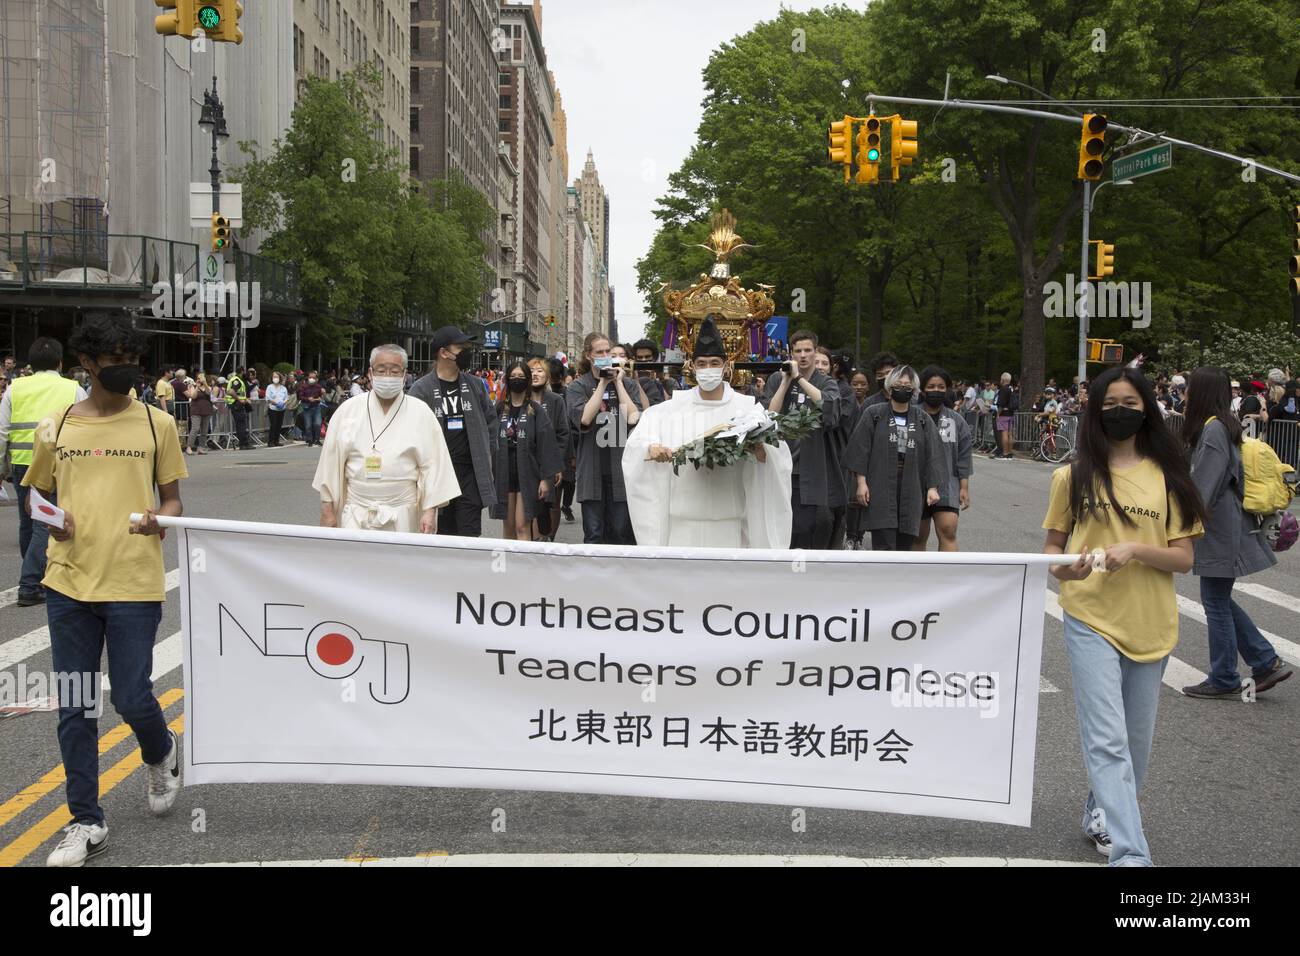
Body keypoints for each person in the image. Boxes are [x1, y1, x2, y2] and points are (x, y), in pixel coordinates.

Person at [24, 312, 188, 867]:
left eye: (130, 359)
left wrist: (157, 520)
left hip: (133, 580)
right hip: (67, 581)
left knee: (132, 695)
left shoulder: (155, 424)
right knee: (76, 704)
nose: (125, 369)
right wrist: (51, 518)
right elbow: (37, 496)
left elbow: (173, 501)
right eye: (113, 361)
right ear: (87, 364)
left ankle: (160, 748)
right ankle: (85, 822)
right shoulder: (58, 425)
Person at [1042, 365, 1206, 866]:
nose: (1120, 411)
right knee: (1107, 739)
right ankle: (1131, 855)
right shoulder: (1071, 476)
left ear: (1148, 410)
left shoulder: (1170, 477)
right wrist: (1065, 569)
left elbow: (1183, 559)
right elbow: (1053, 550)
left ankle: (1101, 808)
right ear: (1094, 409)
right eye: (1110, 402)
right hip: (1090, 618)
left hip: (1151, 623)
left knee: (1135, 746)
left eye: (1131, 404)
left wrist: (1135, 549)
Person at [624, 317, 792, 547]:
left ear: (725, 366)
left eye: (714, 362)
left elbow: (776, 456)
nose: (708, 369)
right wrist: (652, 447)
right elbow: (640, 439)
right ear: (692, 366)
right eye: (701, 363)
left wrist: (761, 450)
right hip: (683, 522)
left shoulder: (748, 410)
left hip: (730, 521)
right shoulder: (669, 411)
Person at [1180, 368, 1293, 698]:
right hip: (1223, 524)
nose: (1185, 396)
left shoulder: (1213, 428)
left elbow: (1206, 485)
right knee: (1217, 599)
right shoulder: (1218, 425)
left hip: (1220, 526)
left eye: (1189, 389)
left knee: (1214, 601)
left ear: (1201, 392)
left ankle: (1225, 676)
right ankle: (1264, 660)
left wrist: (1181, 520)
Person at [314, 345, 458, 533]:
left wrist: (429, 511)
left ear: (404, 374)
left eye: (395, 371)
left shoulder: (421, 412)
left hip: (403, 512)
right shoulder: (347, 411)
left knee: (400, 562)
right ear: (371, 373)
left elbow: (433, 466)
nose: (388, 376)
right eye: (381, 370)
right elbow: (330, 465)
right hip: (357, 511)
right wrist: (327, 511)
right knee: (354, 562)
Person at [0, 337, 86, 606]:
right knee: (45, 522)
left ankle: (33, 576)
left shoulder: (15, 388)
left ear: (30, 363)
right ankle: (30, 583)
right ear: (60, 363)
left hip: (23, 462)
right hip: (58, 462)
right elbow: (85, 428)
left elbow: (2, 432)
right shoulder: (73, 388)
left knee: (28, 521)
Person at [409, 326, 497, 537]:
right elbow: (410, 432)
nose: (466, 352)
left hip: (470, 473)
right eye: (461, 347)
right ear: (444, 352)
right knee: (442, 535)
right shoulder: (421, 389)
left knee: (469, 536)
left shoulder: (475, 385)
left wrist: (489, 456)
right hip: (437, 474)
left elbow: (491, 422)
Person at [845, 365, 943, 551]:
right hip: (881, 481)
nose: (903, 388)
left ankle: (901, 579)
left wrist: (932, 487)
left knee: (906, 541)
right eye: (899, 384)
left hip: (911, 482)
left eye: (907, 385)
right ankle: (882, 579)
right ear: (890, 387)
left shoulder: (922, 419)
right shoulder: (874, 414)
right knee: (883, 538)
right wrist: (861, 482)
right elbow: (860, 449)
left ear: (914, 390)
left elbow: (934, 454)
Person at [763, 330, 843, 549]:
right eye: (798, 351)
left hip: (808, 465)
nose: (803, 355)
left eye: (808, 350)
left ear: (815, 352)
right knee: (779, 520)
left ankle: (800, 568)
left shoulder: (826, 382)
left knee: (804, 525)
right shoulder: (777, 379)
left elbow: (828, 409)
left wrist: (800, 379)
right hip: (780, 462)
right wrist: (786, 381)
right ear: (791, 353)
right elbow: (769, 415)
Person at [566, 332, 644, 544]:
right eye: (599, 352)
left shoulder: (628, 385)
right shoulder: (578, 386)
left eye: (607, 351)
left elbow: (634, 418)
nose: (605, 355)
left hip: (620, 470)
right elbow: (583, 419)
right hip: (592, 470)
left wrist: (618, 383)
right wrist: (601, 384)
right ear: (589, 356)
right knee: (594, 534)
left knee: (621, 533)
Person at [489, 361, 562, 540]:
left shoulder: (535, 410)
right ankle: (509, 565)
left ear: (527, 380)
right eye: (513, 377)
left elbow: (547, 445)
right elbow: (490, 439)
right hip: (505, 472)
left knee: (523, 525)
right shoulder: (499, 408)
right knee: (508, 524)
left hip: (528, 472)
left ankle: (524, 564)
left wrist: (546, 478)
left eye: (521, 377)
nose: (517, 380)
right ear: (507, 379)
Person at [914, 366, 973, 552]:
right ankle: (915, 578)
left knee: (948, 532)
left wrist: (964, 488)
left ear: (947, 389)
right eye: (931, 386)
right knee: (917, 535)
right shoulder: (912, 416)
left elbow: (964, 455)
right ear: (923, 389)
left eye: (941, 387)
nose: (936, 390)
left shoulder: (956, 420)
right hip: (916, 485)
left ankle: (948, 578)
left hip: (948, 485)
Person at [528, 357, 568, 541]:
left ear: (547, 376)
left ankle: (548, 539)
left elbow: (562, 434)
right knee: (528, 505)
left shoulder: (556, 400)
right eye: (531, 371)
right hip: (526, 461)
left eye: (540, 371)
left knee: (549, 505)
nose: (535, 374)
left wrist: (556, 464)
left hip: (548, 463)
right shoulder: (521, 398)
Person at [186, 375, 215, 455]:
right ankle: (189, 447)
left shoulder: (207, 386)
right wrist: (197, 387)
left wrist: (205, 383)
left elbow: (208, 393)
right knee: (195, 428)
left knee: (204, 430)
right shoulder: (192, 386)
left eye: (201, 378)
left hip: (206, 410)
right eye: (198, 378)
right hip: (196, 411)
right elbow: (193, 396)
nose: (199, 380)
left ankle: (201, 447)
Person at [632, 339, 667, 405]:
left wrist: (660, 380)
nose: (643, 360)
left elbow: (668, 402)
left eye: (647, 356)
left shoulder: (664, 378)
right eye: (640, 357)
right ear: (635, 358)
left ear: (654, 357)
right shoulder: (631, 377)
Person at [225, 367, 252, 450]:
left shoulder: (237, 380)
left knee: (241, 424)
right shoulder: (236, 380)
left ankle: (244, 443)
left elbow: (239, 393)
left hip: (237, 404)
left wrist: (244, 399)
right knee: (241, 425)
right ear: (242, 371)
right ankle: (243, 444)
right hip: (236, 404)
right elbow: (231, 391)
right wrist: (239, 399)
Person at [992, 372, 1016, 459]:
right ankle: (1010, 452)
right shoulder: (1012, 389)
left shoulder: (1003, 389)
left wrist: (998, 414)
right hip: (1011, 413)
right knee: (1010, 434)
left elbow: (1001, 404)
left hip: (1004, 414)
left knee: (1004, 433)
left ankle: (1004, 453)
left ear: (1002, 379)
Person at [299, 372, 324, 445]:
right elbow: (300, 397)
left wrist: (320, 397)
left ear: (316, 379)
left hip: (316, 407)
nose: (311, 379)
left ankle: (317, 439)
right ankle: (309, 440)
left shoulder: (319, 387)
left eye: (313, 378)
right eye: (310, 377)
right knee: (308, 425)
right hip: (307, 408)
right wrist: (307, 399)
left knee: (318, 424)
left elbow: (320, 396)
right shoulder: (304, 386)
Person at [265, 371, 288, 448]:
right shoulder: (269, 387)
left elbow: (286, 398)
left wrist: (283, 403)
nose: (275, 378)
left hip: (281, 409)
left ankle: (276, 441)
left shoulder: (283, 388)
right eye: (274, 377)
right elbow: (268, 398)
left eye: (277, 377)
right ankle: (270, 441)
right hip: (273, 408)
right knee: (273, 425)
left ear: (280, 378)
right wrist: (275, 403)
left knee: (279, 425)